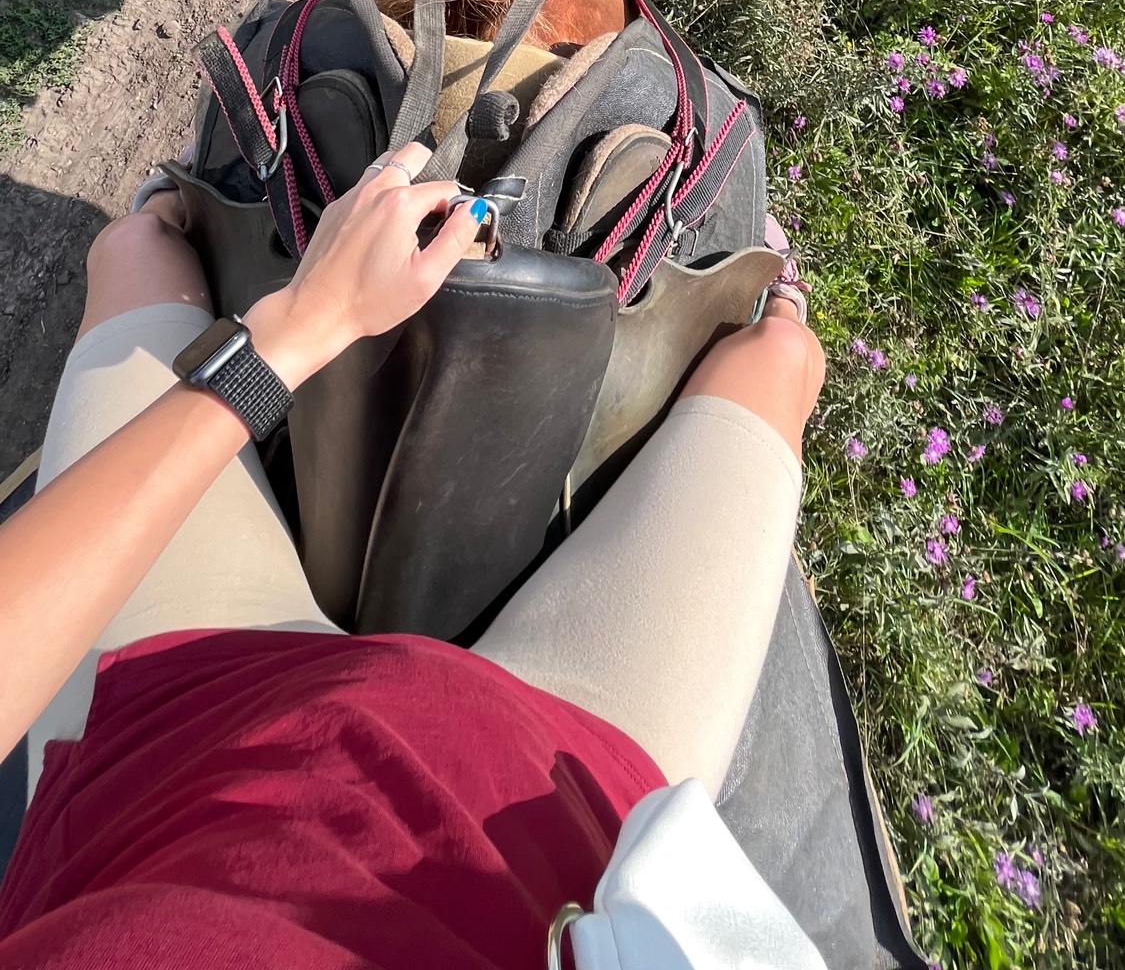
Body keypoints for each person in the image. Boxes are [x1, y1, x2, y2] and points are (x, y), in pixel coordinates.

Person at [0, 143, 824, 967]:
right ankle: (781, 299)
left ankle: (167, 203)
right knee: (778, 359)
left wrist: (299, 330)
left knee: (136, 255)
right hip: (567, 779)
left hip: (171, 727)